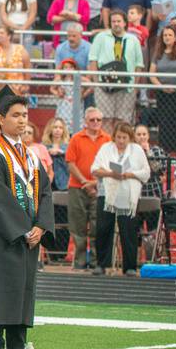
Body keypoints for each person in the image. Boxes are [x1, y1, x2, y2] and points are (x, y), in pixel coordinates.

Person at [0, 86, 53, 349]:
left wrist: (41, 227)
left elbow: (45, 191)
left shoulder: (31, 156)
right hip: (2, 237)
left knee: (23, 288)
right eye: (16, 115)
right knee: (0, 288)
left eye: (25, 115)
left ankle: (19, 347)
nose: (22, 120)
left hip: (29, 236)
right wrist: (22, 229)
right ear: (0, 120)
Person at [89, 121, 150, 277]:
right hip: (107, 193)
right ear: (114, 137)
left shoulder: (136, 150)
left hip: (127, 194)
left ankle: (129, 266)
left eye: (124, 137)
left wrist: (129, 174)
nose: (121, 141)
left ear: (129, 137)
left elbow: (145, 172)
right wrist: (111, 173)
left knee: (128, 229)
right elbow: (95, 169)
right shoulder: (106, 148)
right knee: (103, 228)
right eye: (118, 137)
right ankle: (102, 264)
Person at [64, 108, 109, 269]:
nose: (96, 123)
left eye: (98, 120)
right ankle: (80, 262)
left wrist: (94, 184)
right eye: (92, 120)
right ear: (85, 121)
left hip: (101, 188)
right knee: (78, 227)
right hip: (77, 187)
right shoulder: (76, 138)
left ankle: (97, 262)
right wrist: (85, 182)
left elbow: (110, 165)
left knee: (98, 226)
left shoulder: (108, 140)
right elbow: (70, 163)